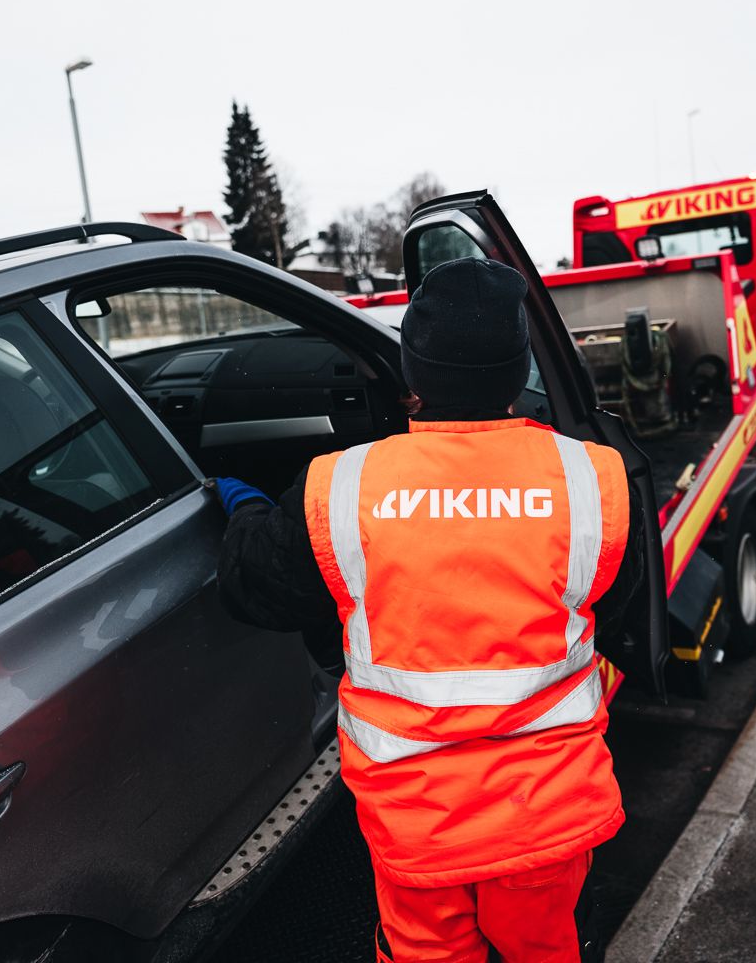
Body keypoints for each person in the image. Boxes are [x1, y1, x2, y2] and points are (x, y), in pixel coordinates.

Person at [213, 257, 634, 963]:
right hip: (548, 814)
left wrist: (244, 504)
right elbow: (613, 606)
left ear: (412, 371)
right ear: (520, 370)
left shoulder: (339, 488)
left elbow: (254, 587)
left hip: (416, 823)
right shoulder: (591, 478)